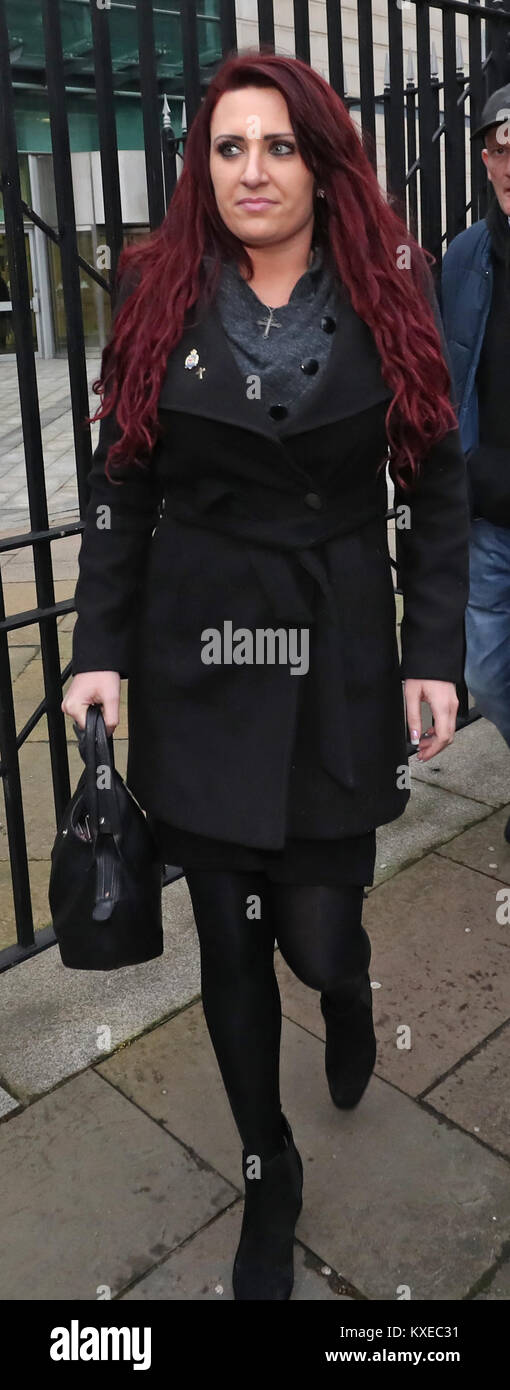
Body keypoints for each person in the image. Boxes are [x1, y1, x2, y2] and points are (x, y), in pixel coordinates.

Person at [62, 50, 470, 1301]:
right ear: (206, 168)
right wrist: (98, 652)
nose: (253, 169)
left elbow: (440, 489)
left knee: (316, 930)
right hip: (201, 658)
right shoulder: (158, 290)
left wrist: (432, 656)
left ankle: (348, 996)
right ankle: (265, 1164)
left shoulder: (388, 289)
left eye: (279, 146)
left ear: (320, 163)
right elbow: (123, 491)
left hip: (337, 646)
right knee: (229, 945)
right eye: (230, 147)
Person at [439, 83, 510, 843]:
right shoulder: (464, 259)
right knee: (488, 674)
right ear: (486, 158)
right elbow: (439, 376)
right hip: (489, 513)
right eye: (501, 144)